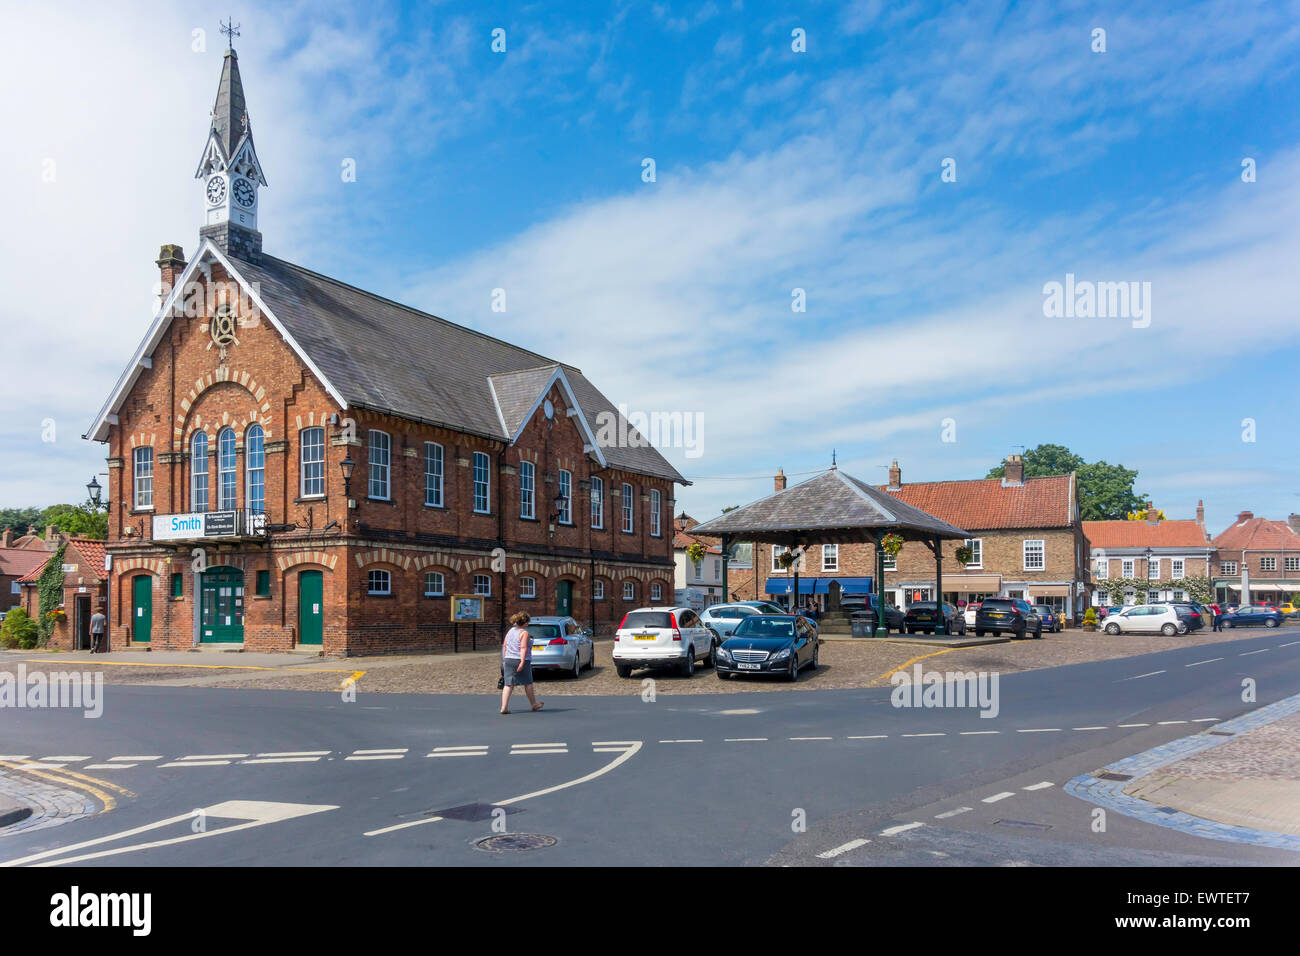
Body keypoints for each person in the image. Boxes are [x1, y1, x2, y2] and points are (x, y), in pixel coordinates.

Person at [500, 611, 544, 715]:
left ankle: (504, 707)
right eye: (527, 622)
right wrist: (522, 662)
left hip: (509, 659)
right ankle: (533, 704)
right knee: (528, 682)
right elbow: (523, 648)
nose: (528, 624)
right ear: (524, 622)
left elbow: (505, 646)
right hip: (520, 659)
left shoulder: (510, 631)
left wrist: (504, 660)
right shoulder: (524, 633)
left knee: (508, 684)